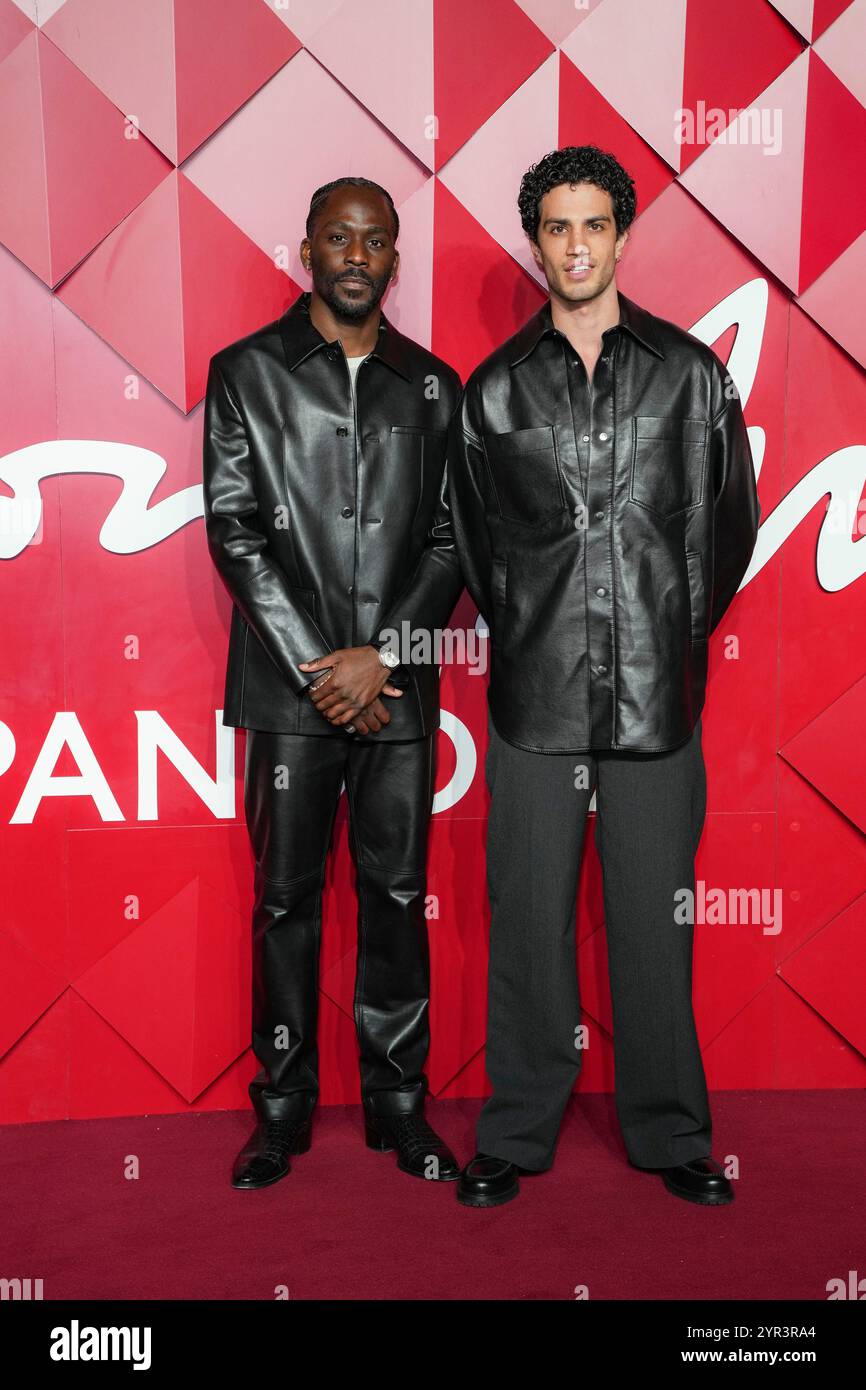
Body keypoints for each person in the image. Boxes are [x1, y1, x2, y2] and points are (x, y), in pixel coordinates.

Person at [446, 145, 761, 1209]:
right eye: (554, 227)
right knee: (527, 924)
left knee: (652, 920)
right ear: (535, 241)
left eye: (593, 225)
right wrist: (539, 632)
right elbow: (481, 550)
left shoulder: (691, 376)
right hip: (533, 704)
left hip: (654, 703)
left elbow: (726, 532)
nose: (575, 245)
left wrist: (666, 631)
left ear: (620, 236)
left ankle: (669, 1132)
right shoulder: (491, 392)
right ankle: (517, 1130)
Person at [202, 177, 465, 1190]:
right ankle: (281, 1109)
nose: (355, 255)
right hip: (286, 692)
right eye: (337, 237)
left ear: (395, 257)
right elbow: (236, 530)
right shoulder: (247, 374)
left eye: (375, 240)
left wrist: (381, 655)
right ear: (306, 246)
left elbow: (449, 539)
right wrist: (323, 667)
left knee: (396, 895)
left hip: (395, 694)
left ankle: (400, 1106)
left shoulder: (433, 385)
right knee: (284, 901)